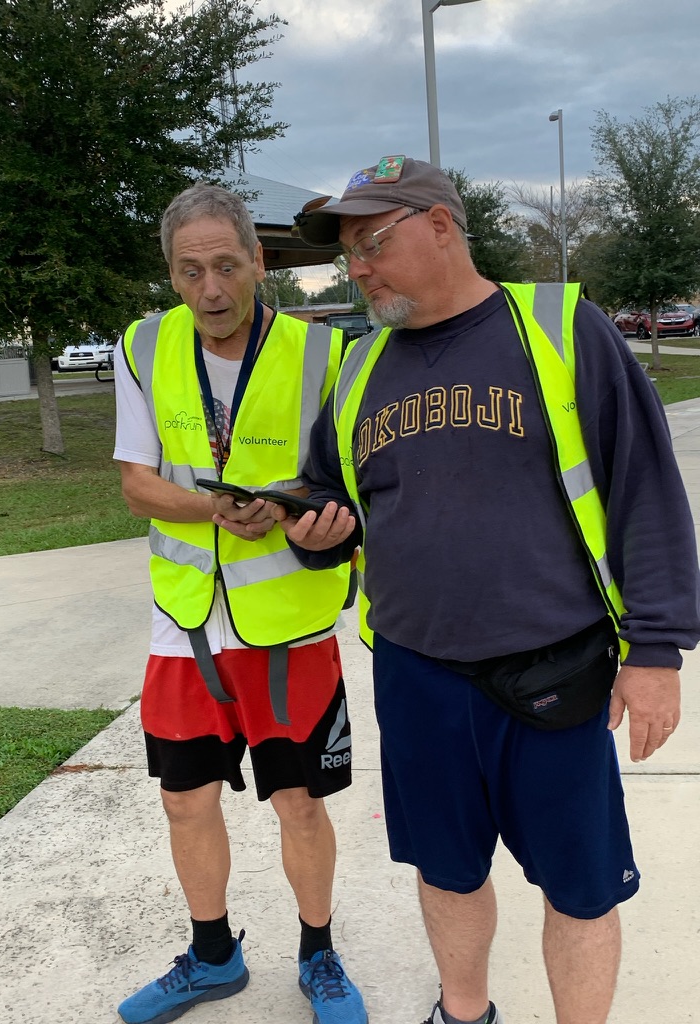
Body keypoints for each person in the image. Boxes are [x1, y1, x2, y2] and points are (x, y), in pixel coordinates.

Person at [279, 156, 700, 1024]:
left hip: (555, 667)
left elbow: (645, 491)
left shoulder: (559, 327)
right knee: (445, 868)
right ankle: (462, 1012)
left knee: (581, 886)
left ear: (440, 224)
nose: (355, 267)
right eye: (349, 251)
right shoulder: (359, 366)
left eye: (371, 242)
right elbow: (332, 493)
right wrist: (313, 531)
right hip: (416, 671)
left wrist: (655, 652)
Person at [113, 183, 367, 1024]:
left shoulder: (325, 354)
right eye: (191, 271)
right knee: (185, 797)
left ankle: (318, 955)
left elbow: (350, 490)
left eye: (227, 265)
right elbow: (139, 487)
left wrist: (303, 511)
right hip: (184, 621)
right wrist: (211, 507)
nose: (211, 289)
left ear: (260, 262)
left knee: (298, 800)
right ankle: (213, 954)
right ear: (171, 273)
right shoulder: (142, 346)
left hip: (288, 623)